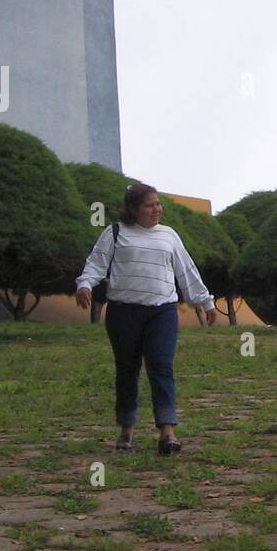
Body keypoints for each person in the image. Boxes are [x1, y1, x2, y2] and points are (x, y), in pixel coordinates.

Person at [75, 183, 218, 454]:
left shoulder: (169, 236)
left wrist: (206, 301)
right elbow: (96, 264)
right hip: (123, 311)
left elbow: (186, 271)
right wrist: (85, 285)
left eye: (158, 204)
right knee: (127, 368)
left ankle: (167, 431)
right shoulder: (115, 232)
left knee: (161, 365)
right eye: (149, 205)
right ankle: (126, 428)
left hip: (162, 310)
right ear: (133, 209)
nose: (157, 209)